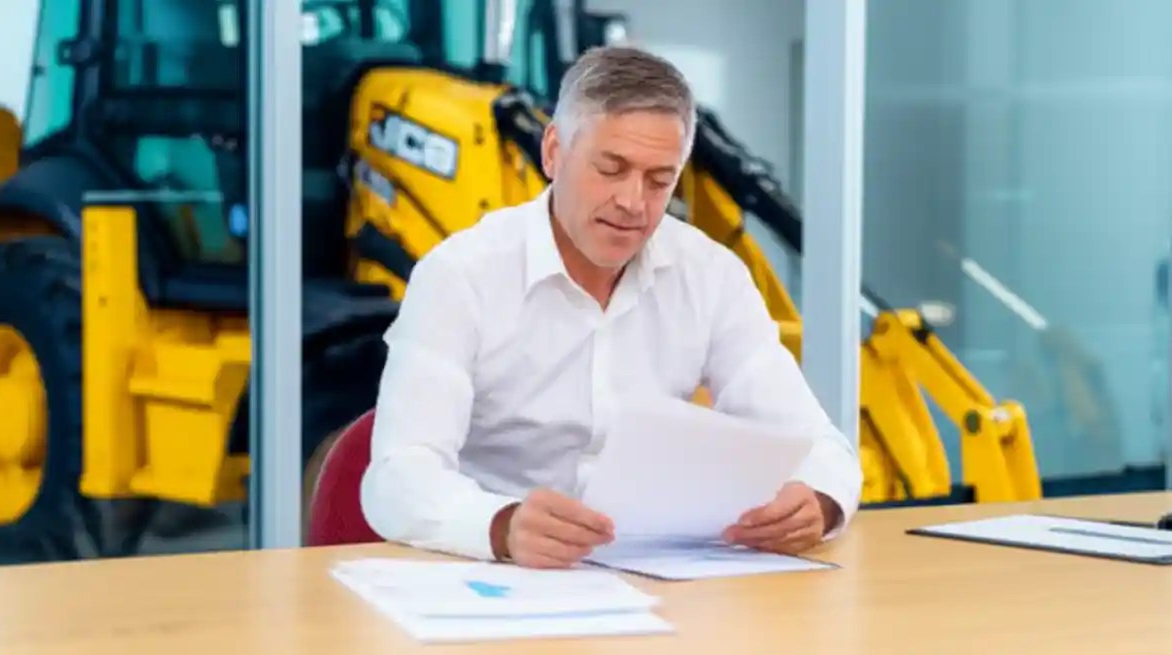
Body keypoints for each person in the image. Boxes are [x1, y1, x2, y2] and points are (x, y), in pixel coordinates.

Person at [361, 45, 862, 569]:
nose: (632, 202)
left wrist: (817, 501)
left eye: (659, 180)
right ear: (553, 152)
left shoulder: (711, 275)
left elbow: (820, 446)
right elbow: (397, 477)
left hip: (660, 576)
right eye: (611, 169)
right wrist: (500, 524)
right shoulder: (459, 276)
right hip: (498, 579)